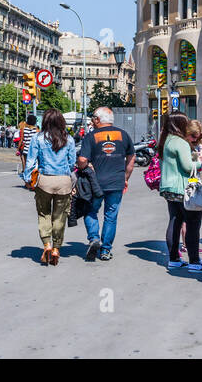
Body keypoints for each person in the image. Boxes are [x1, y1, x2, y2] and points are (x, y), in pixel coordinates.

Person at [76, 106, 136, 262]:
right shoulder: (123, 135)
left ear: (97, 119)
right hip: (116, 182)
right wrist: (125, 178)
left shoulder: (91, 136)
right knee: (111, 216)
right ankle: (105, 250)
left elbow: (82, 160)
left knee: (90, 210)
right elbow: (131, 159)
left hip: (95, 184)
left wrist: (83, 166)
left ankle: (94, 238)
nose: (92, 121)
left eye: (93, 118)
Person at [22, 109, 76, 265]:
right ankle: (57, 248)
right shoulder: (69, 139)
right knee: (60, 216)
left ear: (44, 121)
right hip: (64, 181)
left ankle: (46, 244)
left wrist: (27, 179)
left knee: (44, 213)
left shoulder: (38, 138)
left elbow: (31, 161)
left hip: (44, 180)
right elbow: (72, 163)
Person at [159, 112, 202, 272]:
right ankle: (194, 261)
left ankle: (174, 259)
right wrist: (201, 162)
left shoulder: (167, 140)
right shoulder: (180, 143)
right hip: (182, 188)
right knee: (193, 224)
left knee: (175, 221)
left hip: (168, 188)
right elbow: (187, 166)